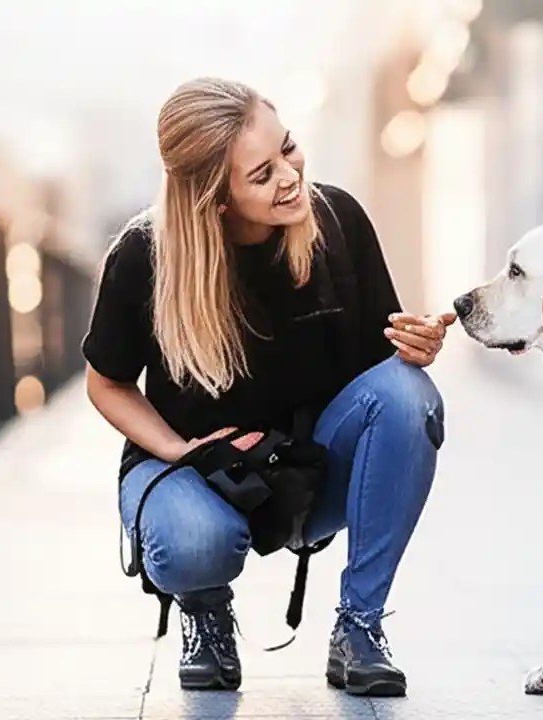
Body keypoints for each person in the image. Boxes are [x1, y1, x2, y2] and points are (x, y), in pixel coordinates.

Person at [81, 77, 454, 697]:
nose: (289, 175)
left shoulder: (338, 223)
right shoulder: (144, 256)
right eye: (261, 174)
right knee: (196, 542)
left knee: (410, 397)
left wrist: (417, 348)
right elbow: (107, 384)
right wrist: (180, 449)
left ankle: (359, 627)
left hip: (306, 469)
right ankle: (205, 614)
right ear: (214, 200)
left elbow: (381, 385)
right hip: (195, 473)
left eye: (289, 149)